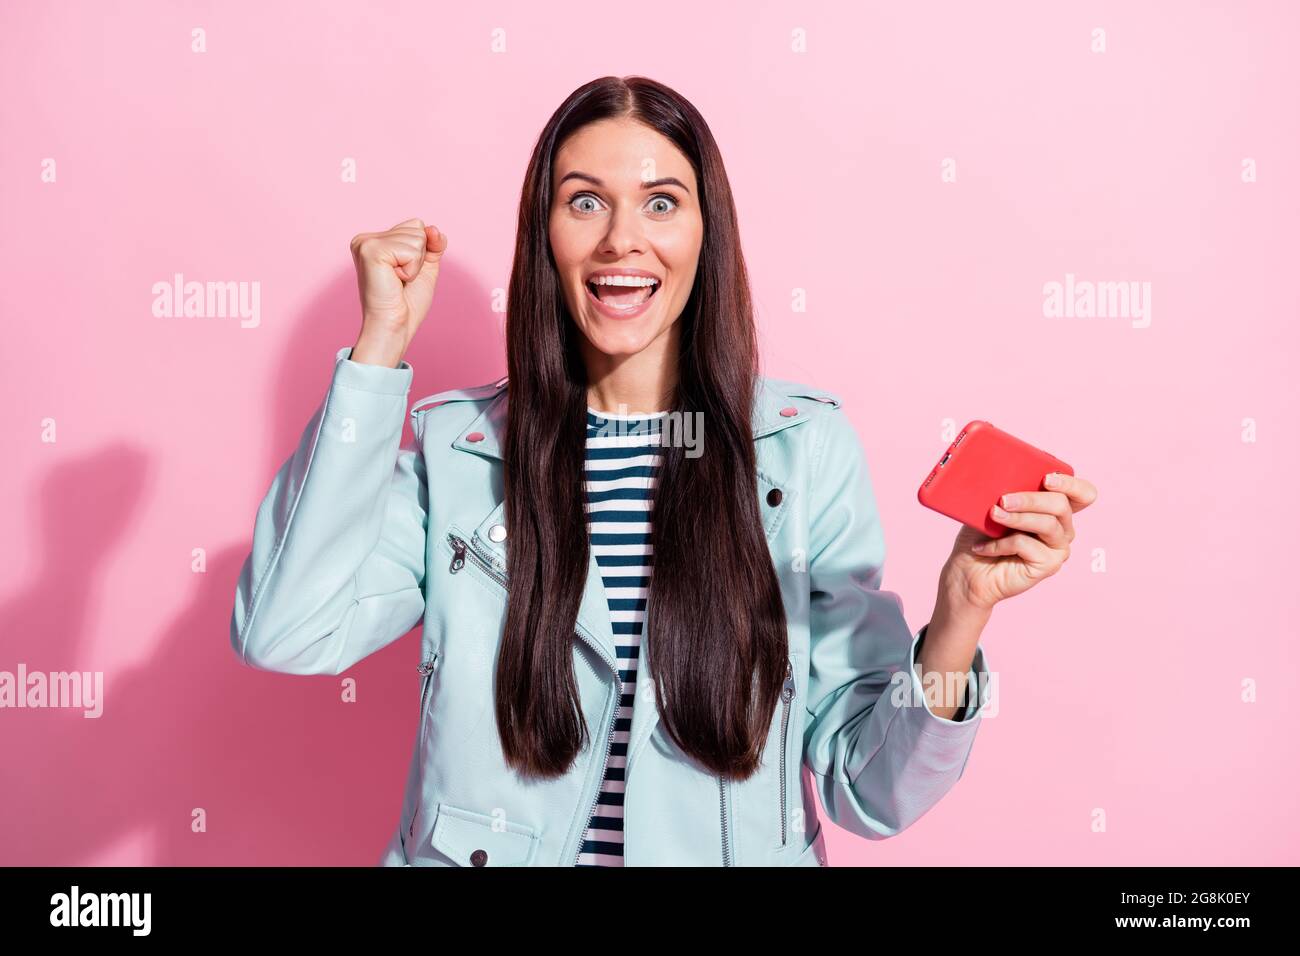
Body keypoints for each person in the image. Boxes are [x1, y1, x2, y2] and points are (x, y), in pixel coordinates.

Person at [229, 75, 1098, 867]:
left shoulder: (803, 452)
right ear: (545, 234)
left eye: (659, 202)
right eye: (584, 203)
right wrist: (377, 354)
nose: (622, 241)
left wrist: (961, 615)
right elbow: (285, 628)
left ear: (704, 231)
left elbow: (871, 791)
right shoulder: (460, 452)